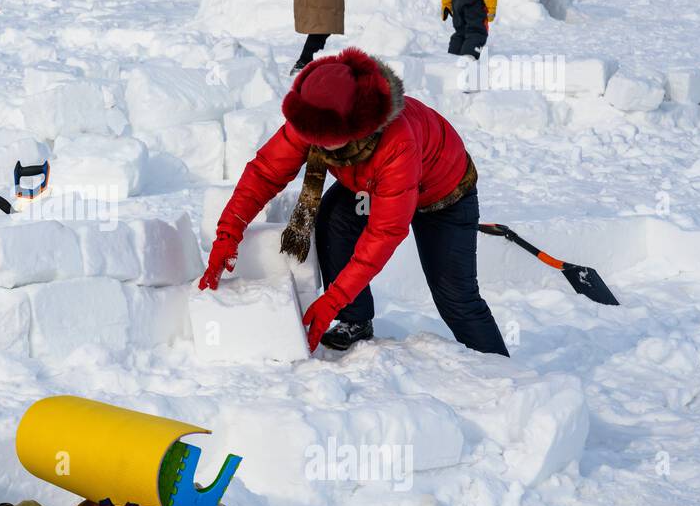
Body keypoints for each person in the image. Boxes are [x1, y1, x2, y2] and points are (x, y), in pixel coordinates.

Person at [199, 47, 508, 358]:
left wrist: (332, 299)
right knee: (334, 220)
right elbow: (265, 172)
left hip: (443, 196)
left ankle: (499, 370)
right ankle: (356, 319)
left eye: (326, 140)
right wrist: (228, 232)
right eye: (313, 138)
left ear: (356, 129)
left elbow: (385, 232)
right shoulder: (313, 116)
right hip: (370, 187)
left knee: (456, 298)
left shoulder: (398, 142)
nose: (316, 145)